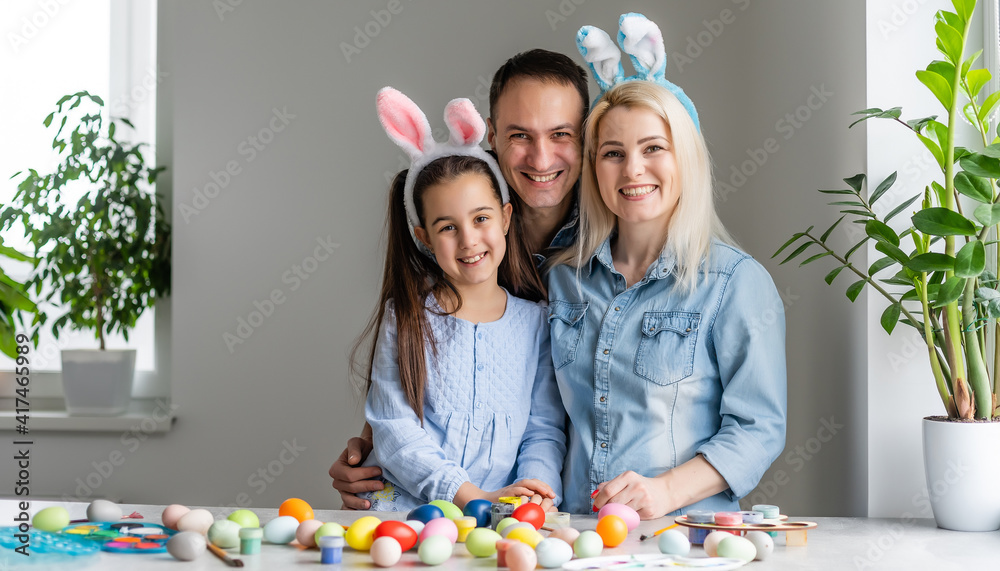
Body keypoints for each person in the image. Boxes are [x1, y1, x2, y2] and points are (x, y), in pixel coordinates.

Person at [547, 14, 787, 518]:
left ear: (686, 158)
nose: (633, 169)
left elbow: (758, 427)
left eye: (653, 148)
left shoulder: (736, 284)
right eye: (613, 153)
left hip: (685, 538)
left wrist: (666, 492)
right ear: (595, 168)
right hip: (575, 538)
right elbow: (546, 417)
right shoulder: (563, 278)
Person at [331, 49, 590, 510]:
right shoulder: (458, 178)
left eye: (561, 134)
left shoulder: (608, 238)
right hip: (419, 510)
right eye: (520, 135)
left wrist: (533, 496)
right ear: (491, 134)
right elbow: (397, 420)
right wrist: (372, 451)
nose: (542, 155)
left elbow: (543, 426)